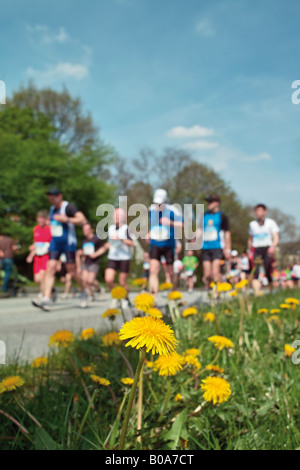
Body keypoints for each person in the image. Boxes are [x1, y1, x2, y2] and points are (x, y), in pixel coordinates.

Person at [32, 187, 87, 311]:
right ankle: (46, 298)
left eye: (54, 196)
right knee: (50, 268)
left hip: (68, 243)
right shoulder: (52, 209)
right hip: (55, 243)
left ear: (60, 196)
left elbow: (82, 220)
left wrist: (67, 219)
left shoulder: (68, 207)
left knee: (71, 271)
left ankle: (84, 292)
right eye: (49, 197)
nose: (51, 199)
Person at [147, 188, 184, 298]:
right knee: (153, 270)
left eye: (161, 203)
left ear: (166, 201)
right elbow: (153, 224)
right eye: (156, 203)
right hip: (155, 243)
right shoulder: (151, 210)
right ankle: (152, 298)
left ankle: (173, 293)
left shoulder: (173, 210)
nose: (158, 206)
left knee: (170, 272)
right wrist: (149, 233)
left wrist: (170, 223)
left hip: (168, 244)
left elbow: (183, 225)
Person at [105, 208, 134, 308]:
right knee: (108, 279)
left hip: (124, 257)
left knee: (122, 282)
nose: (116, 217)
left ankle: (126, 298)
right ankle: (116, 297)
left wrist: (121, 239)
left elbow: (131, 243)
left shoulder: (126, 229)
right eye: (115, 215)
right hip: (112, 256)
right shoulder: (111, 228)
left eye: (118, 215)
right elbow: (109, 243)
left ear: (123, 217)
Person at [248, 203, 279, 296]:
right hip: (256, 248)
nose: (258, 213)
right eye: (256, 211)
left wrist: (273, 246)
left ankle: (271, 290)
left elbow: (276, 237)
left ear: (265, 212)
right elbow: (250, 239)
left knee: (268, 269)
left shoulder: (271, 223)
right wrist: (249, 251)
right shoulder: (252, 224)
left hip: (267, 248)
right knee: (255, 270)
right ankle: (256, 293)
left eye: (260, 210)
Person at [201, 194, 231, 288]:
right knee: (207, 275)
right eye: (208, 202)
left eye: (211, 202)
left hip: (217, 247)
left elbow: (227, 233)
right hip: (205, 247)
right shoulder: (204, 215)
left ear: (217, 203)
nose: (208, 204)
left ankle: (218, 293)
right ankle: (212, 290)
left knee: (215, 272)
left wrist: (228, 249)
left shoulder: (222, 216)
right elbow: (199, 230)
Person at [79, 222, 109, 305]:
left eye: (87, 229)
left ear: (91, 230)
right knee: (84, 280)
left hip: (94, 262)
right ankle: (91, 294)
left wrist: (95, 254)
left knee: (90, 280)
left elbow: (104, 248)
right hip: (85, 262)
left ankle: (99, 289)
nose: (85, 231)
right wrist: (81, 259)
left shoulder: (96, 239)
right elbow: (84, 253)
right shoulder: (84, 241)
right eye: (84, 230)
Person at [26, 210, 52, 300]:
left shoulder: (50, 229)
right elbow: (36, 244)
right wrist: (31, 255)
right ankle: (51, 290)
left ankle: (43, 294)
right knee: (37, 279)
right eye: (39, 219)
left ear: (45, 219)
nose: (40, 221)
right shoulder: (36, 229)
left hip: (46, 256)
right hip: (37, 257)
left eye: (42, 219)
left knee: (43, 276)